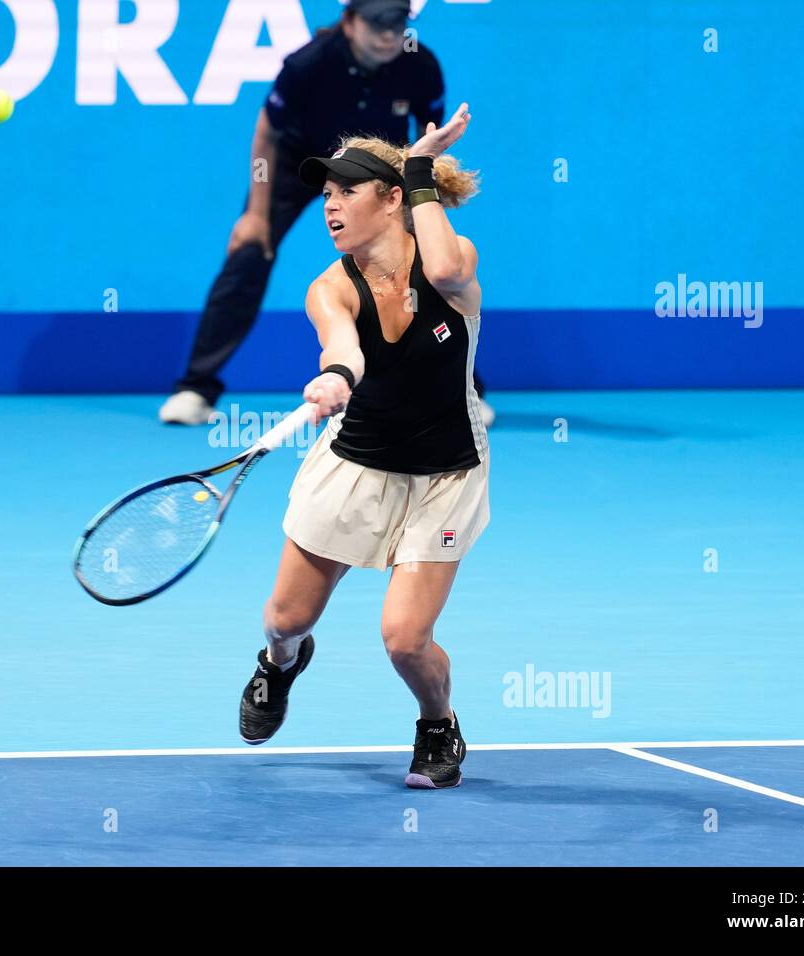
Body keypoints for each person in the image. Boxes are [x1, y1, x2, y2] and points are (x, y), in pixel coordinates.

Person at [237, 104, 487, 789]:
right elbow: (340, 342)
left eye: (347, 190)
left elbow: (439, 265)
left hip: (445, 474)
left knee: (406, 640)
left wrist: (417, 166)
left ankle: (437, 723)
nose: (331, 205)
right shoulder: (329, 286)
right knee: (284, 619)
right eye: (325, 193)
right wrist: (335, 375)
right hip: (356, 463)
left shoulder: (453, 263)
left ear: (394, 200)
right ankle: (280, 666)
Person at [160, 0, 494, 427]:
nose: (389, 34)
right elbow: (267, 131)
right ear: (350, 22)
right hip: (302, 163)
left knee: (426, 265)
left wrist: (420, 199)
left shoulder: (420, 65)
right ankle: (195, 387)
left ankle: (465, 386)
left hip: (377, 172)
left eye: (397, 23)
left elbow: (426, 144)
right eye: (377, 24)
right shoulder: (308, 65)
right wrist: (257, 215)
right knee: (248, 253)